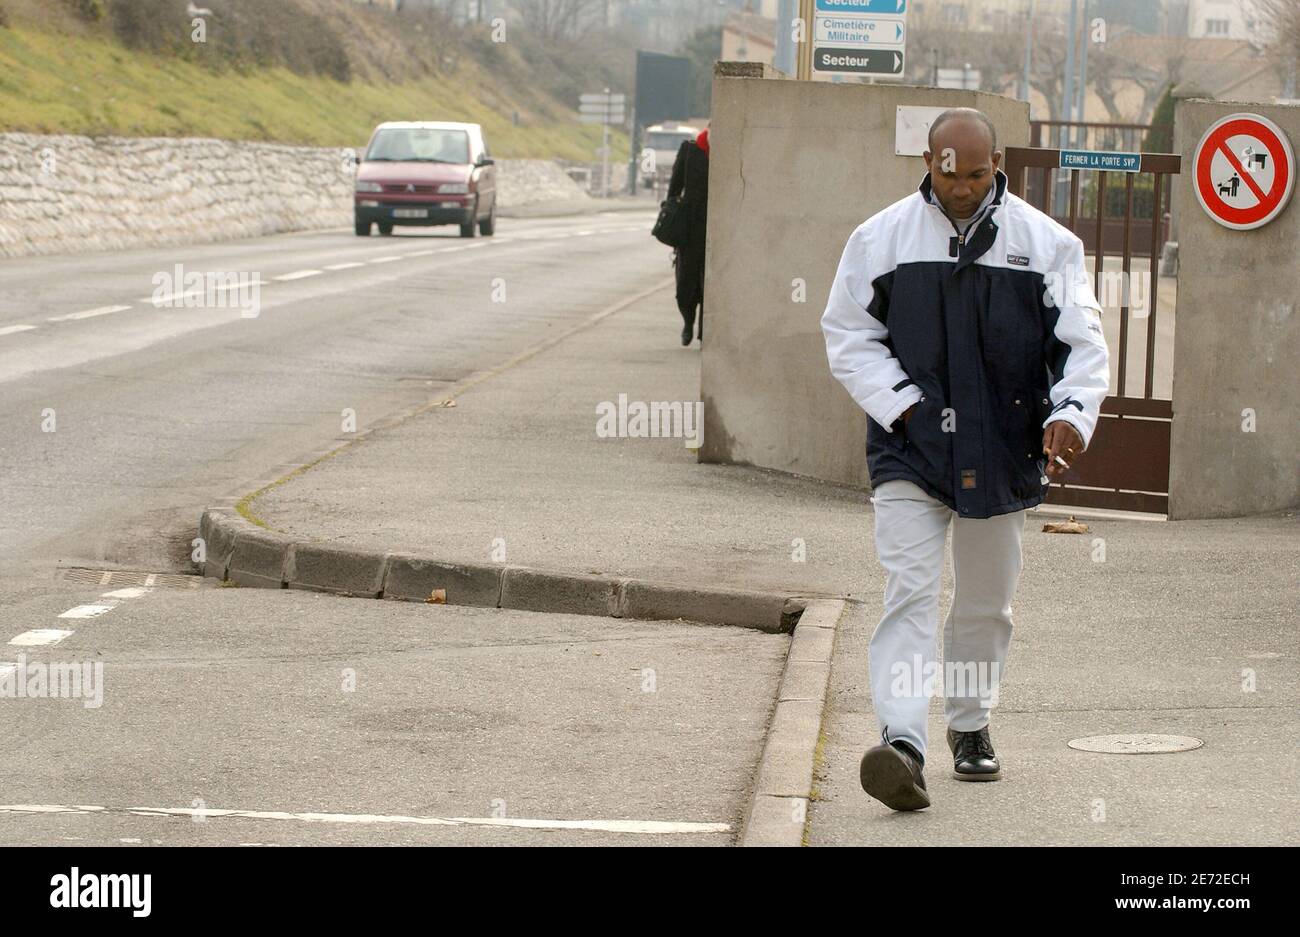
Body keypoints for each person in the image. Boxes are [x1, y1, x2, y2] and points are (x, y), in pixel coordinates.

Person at [820, 108, 1109, 811]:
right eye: (948, 174)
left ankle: (971, 725)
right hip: (909, 450)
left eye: (977, 175)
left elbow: (1083, 343)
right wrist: (906, 407)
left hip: (1002, 448)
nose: (961, 189)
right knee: (910, 593)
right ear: (928, 162)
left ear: (997, 163)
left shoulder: (1048, 245)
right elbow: (848, 334)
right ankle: (903, 743)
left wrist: (1072, 414)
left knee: (984, 600)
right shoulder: (879, 239)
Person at [667, 127, 709, 346]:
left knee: (708, 287)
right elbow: (674, 189)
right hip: (690, 230)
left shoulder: (728, 152)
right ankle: (687, 320)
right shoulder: (689, 150)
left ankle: (704, 334)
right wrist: (672, 219)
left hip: (715, 229)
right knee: (685, 284)